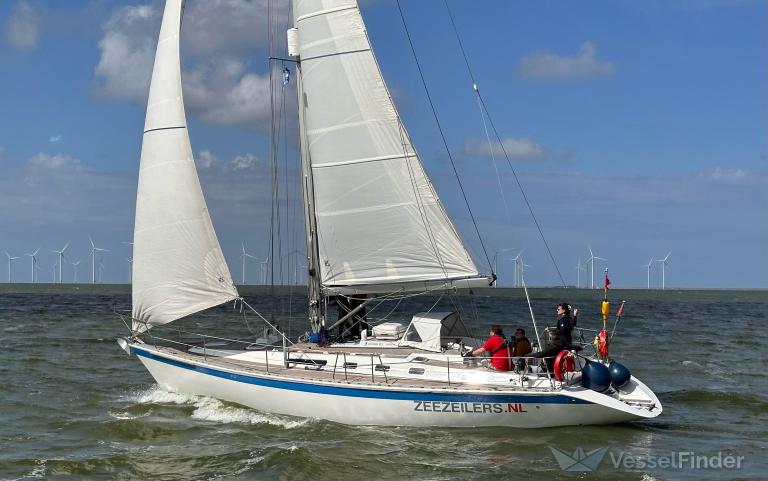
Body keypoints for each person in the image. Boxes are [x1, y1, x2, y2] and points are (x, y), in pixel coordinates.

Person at [530, 303, 574, 371]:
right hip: (566, 343)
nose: (557, 310)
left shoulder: (563, 319)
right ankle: (551, 371)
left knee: (541, 354)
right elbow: (571, 326)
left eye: (558, 309)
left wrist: (551, 330)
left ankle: (523, 356)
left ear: (564, 310)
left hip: (560, 344)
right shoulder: (569, 318)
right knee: (549, 355)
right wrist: (575, 316)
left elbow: (563, 331)